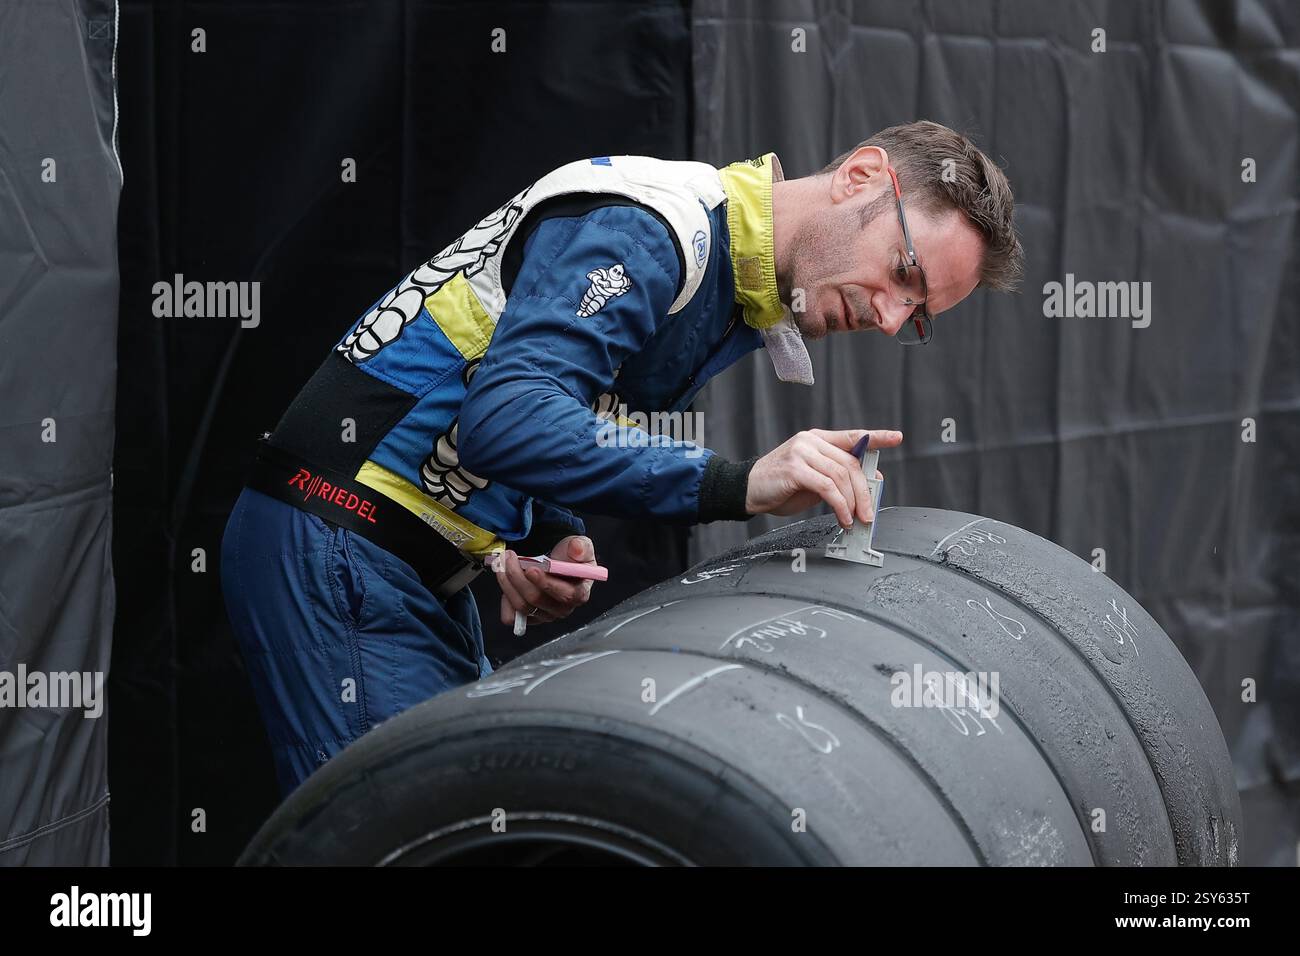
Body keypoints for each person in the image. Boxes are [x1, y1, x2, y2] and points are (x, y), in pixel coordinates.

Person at [221, 120, 1023, 795]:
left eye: (917, 316)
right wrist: (739, 484)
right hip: (342, 543)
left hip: (391, 559)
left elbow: (551, 399)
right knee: (406, 839)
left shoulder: (734, 280)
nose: (889, 318)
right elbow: (505, 418)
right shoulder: (655, 226)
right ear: (859, 176)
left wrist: (541, 531)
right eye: (903, 273)